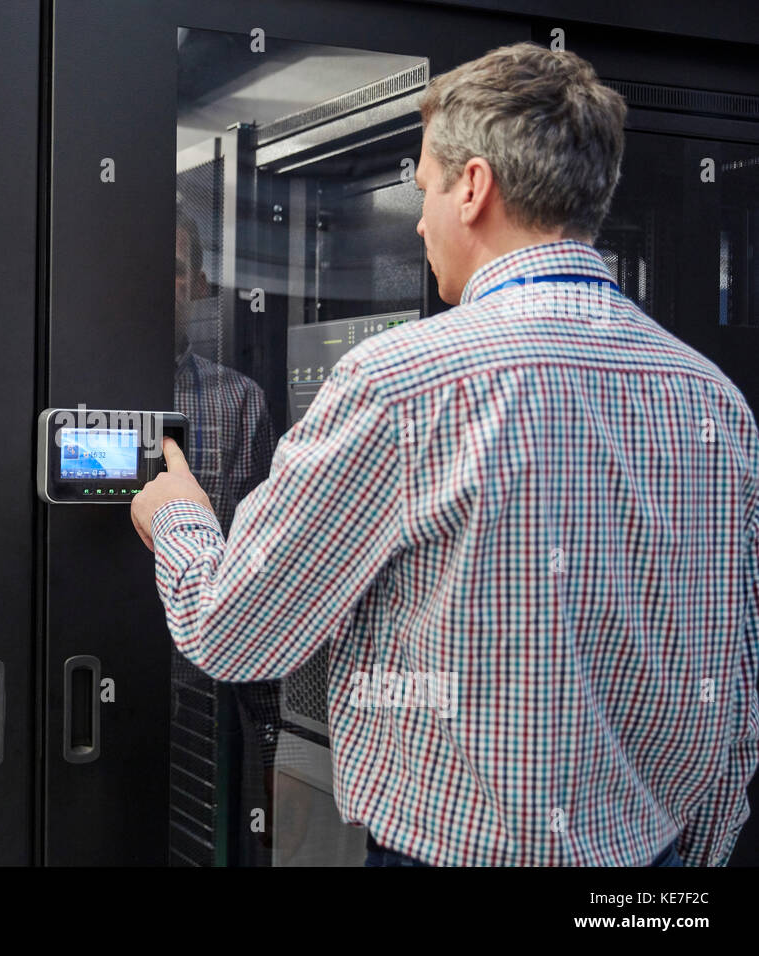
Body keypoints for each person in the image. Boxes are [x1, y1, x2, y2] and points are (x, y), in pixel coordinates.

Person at [131, 41, 759, 867]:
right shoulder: (713, 399)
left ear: (474, 188)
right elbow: (734, 686)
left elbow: (233, 633)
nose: (420, 217)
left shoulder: (399, 380)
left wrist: (179, 518)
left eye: (424, 188)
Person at [172, 211, 282, 851]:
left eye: (174, 272)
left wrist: (271, 746)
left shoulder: (236, 403)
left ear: (200, 284)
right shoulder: (56, 382)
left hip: (197, 709)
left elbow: (261, 585)